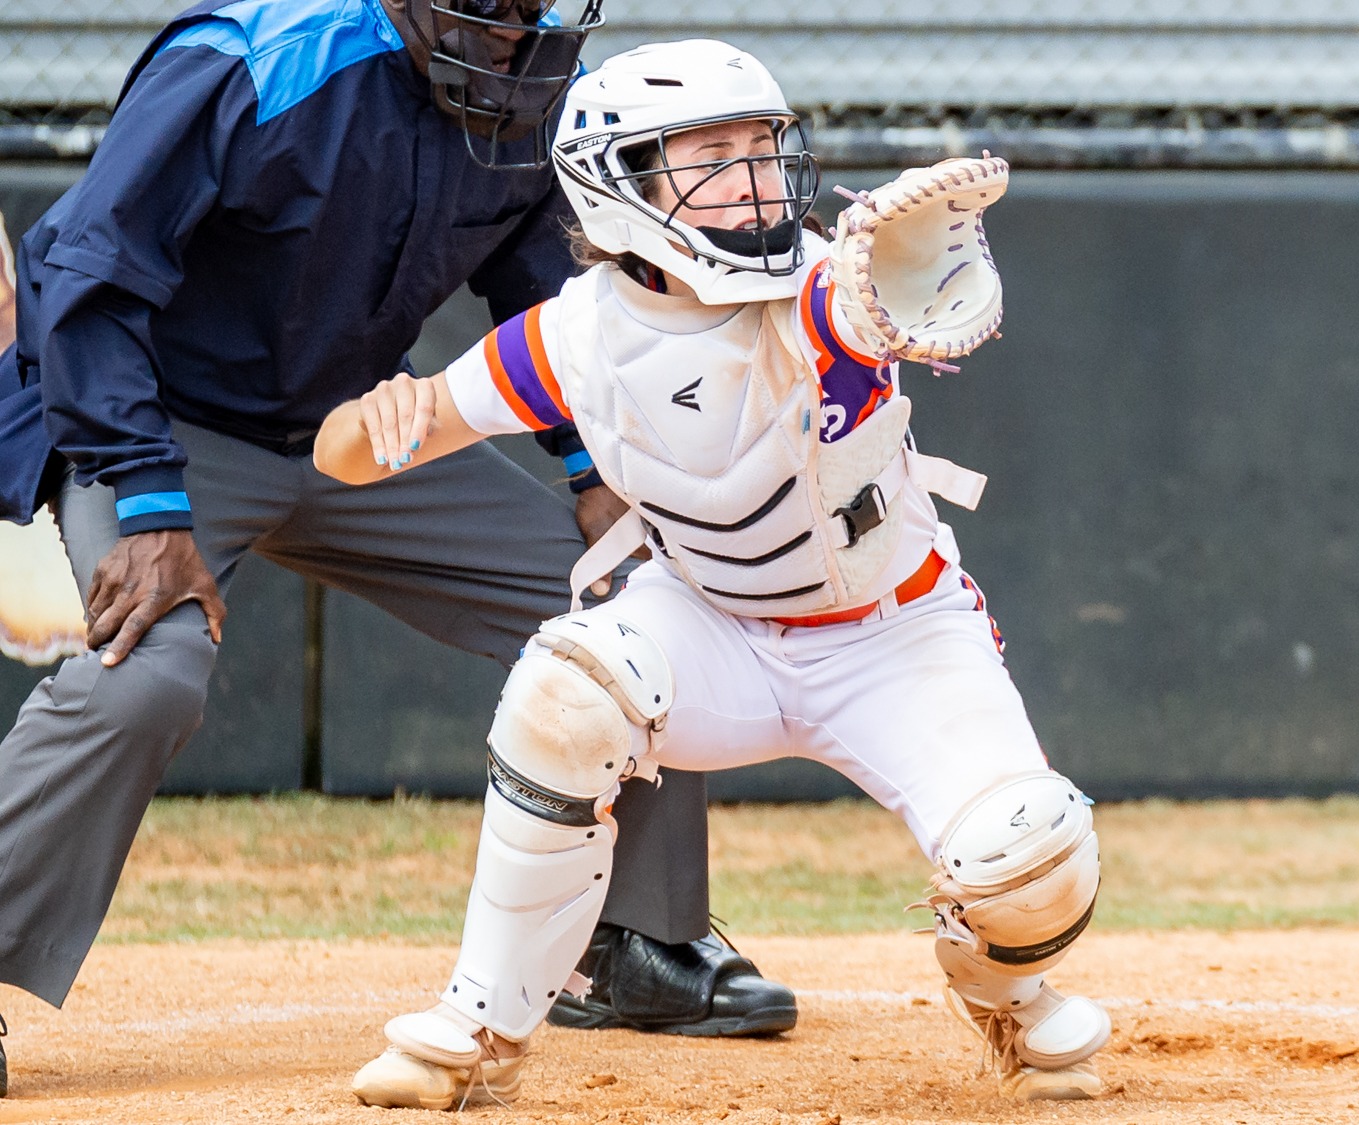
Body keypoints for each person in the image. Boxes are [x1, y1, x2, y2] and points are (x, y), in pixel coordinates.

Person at [0, 0, 797, 1096]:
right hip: (156, 425)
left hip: (350, 431)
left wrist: (593, 477)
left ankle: (633, 943)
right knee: (146, 676)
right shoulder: (247, 63)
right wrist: (145, 504)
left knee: (629, 606)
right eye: (495, 5)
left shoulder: (533, 88)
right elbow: (87, 272)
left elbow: (545, 296)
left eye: (540, 5)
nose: (521, 27)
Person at [318, 38, 1112, 1110]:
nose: (750, 178)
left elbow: (860, 310)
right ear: (618, 187)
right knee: (566, 691)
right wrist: (375, 423)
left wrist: (892, 282)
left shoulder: (826, 287)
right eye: (709, 155)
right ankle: (474, 1027)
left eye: (761, 148)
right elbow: (351, 459)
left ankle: (1001, 992)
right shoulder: (571, 337)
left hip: (894, 636)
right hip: (712, 629)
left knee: (1031, 856)